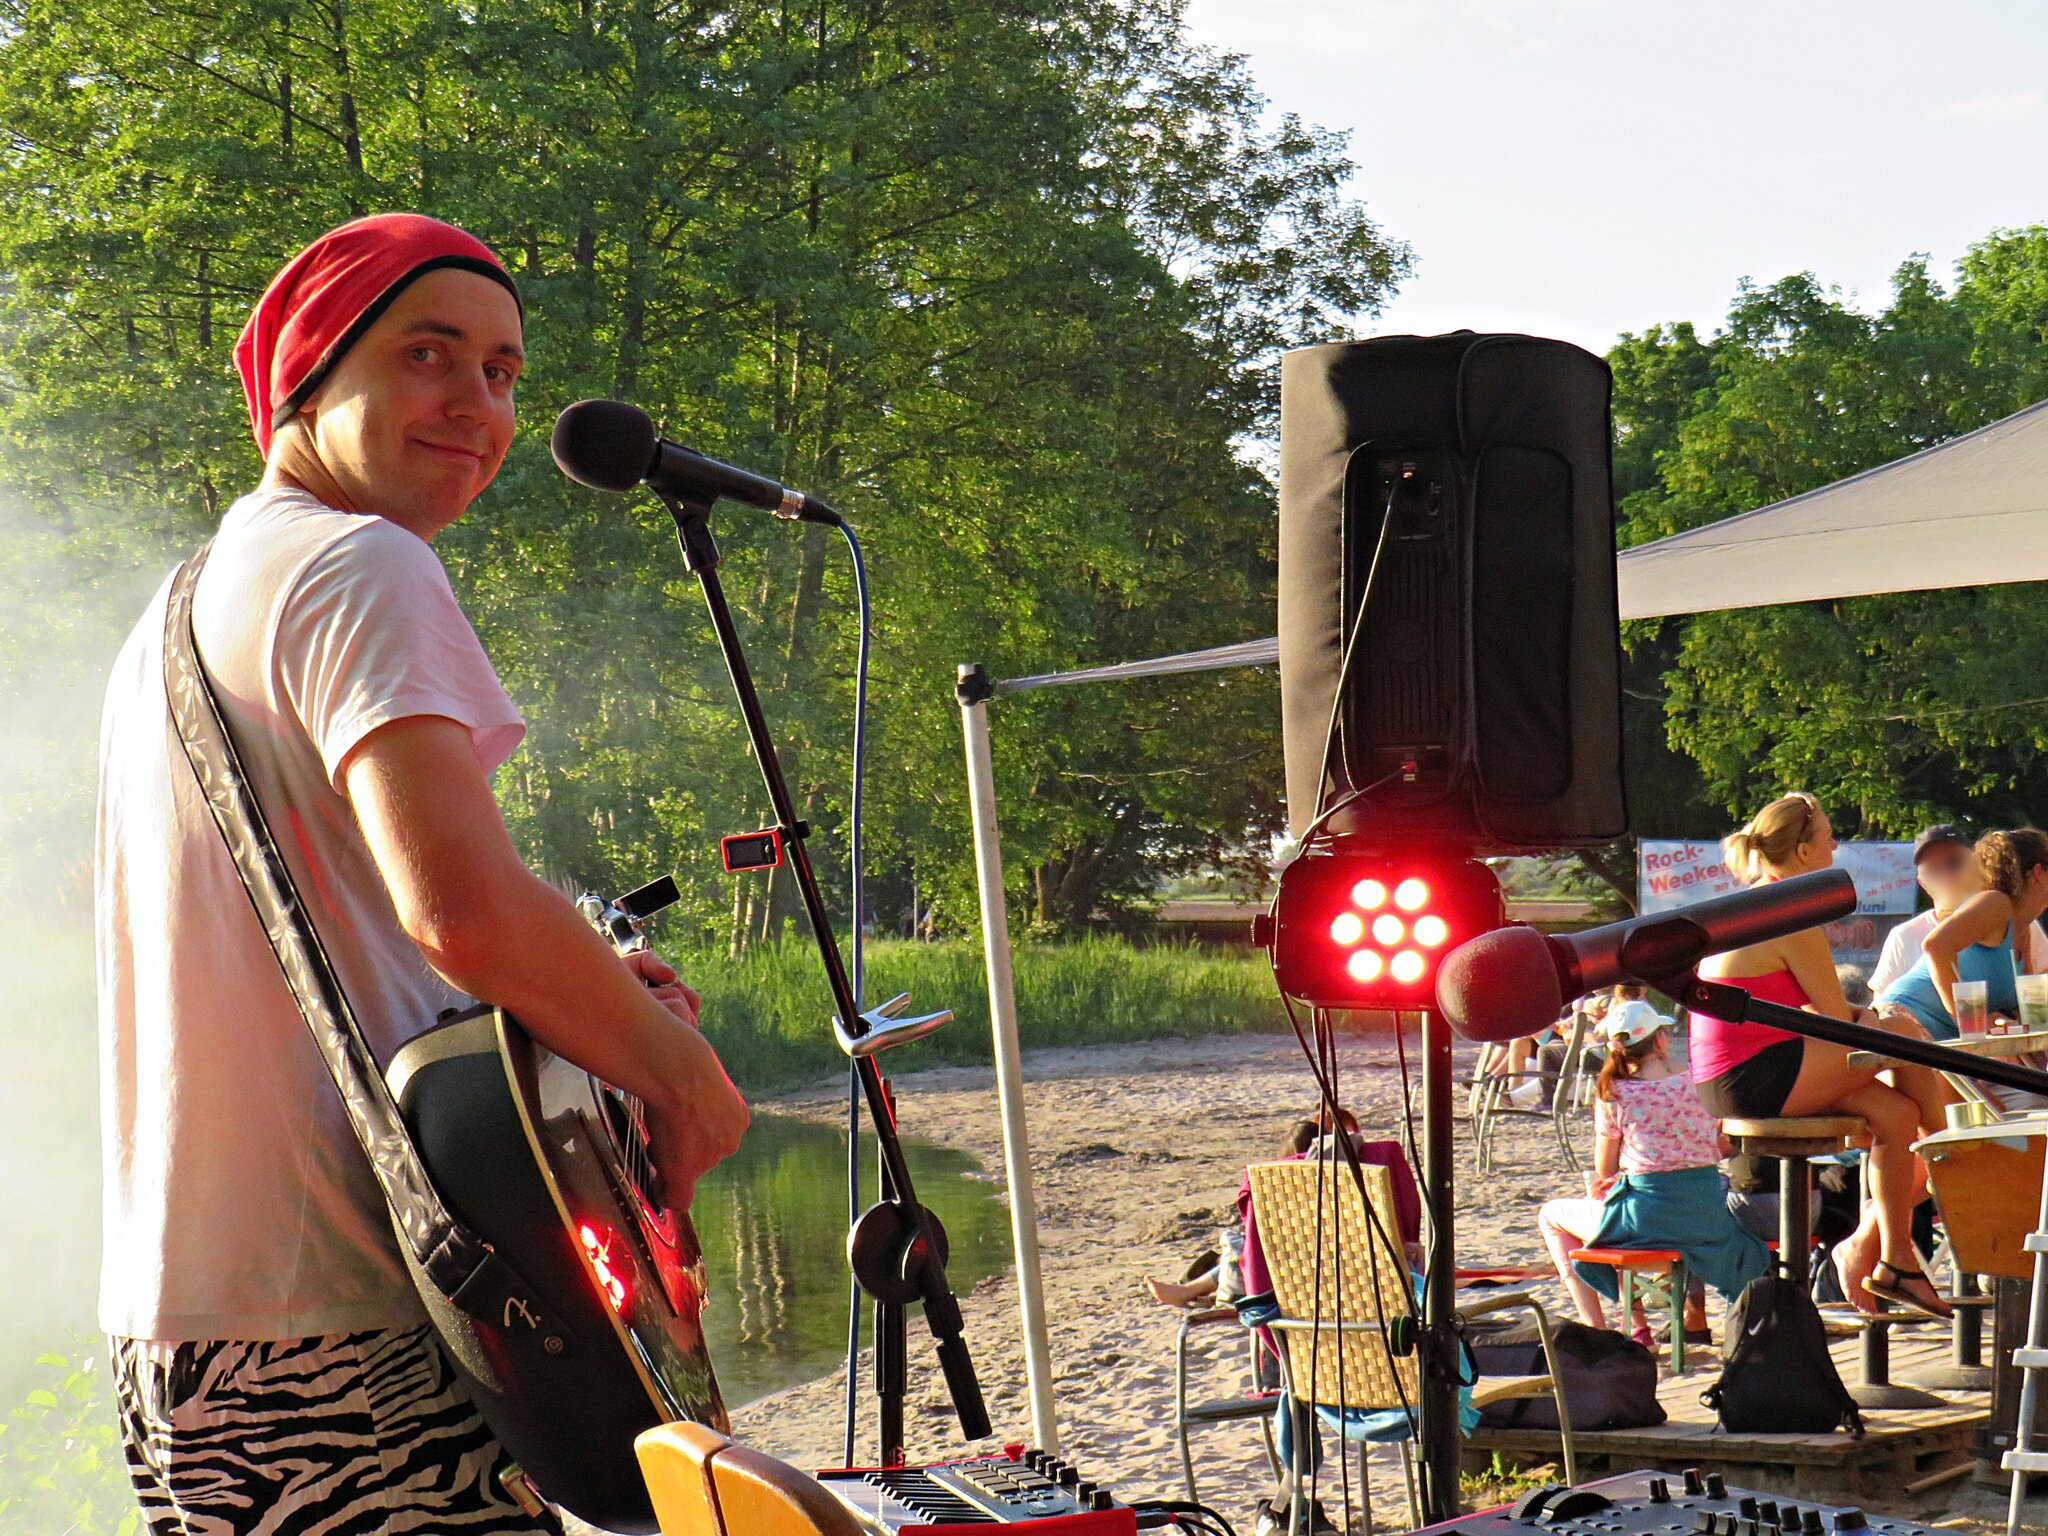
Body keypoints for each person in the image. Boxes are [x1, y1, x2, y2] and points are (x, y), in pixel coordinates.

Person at [95, 215, 751, 1533]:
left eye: (504, 372)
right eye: (428, 356)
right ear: (308, 380)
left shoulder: (184, 609)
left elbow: (342, 936)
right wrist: (681, 1077)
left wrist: (581, 974)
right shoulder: (360, 563)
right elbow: (456, 913)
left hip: (188, 1340)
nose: (479, 403)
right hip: (351, 1315)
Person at [1692, 794, 1953, 1316]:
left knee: (1897, 1114)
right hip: (1755, 1071)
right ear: (1805, 851)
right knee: (1910, 1041)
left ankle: (1889, 1254)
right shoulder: (1789, 912)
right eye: (1829, 836)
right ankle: (1952, 1161)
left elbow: (1820, 1014)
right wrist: (1882, 1022)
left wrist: (1874, 1020)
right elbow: (1836, 1022)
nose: (1837, 845)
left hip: (1736, 1073)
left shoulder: (1755, 901)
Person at [1537, 1001, 1768, 1345]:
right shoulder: (1698, 1081)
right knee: (1616, 1212)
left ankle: (1604, 1330)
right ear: (1660, 1040)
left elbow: (1605, 1168)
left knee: (1551, 1215)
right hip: (1704, 1218)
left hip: (1644, 1222)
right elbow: (1720, 1145)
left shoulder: (1615, 1093)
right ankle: (1640, 1324)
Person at [1877, 829, 2048, 1038]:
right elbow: (1934, 946)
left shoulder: (2025, 930)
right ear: (2039, 874)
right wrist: (1969, 1020)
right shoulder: (1996, 904)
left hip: (1940, 1041)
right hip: (1903, 1019)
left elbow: (2035, 1022)